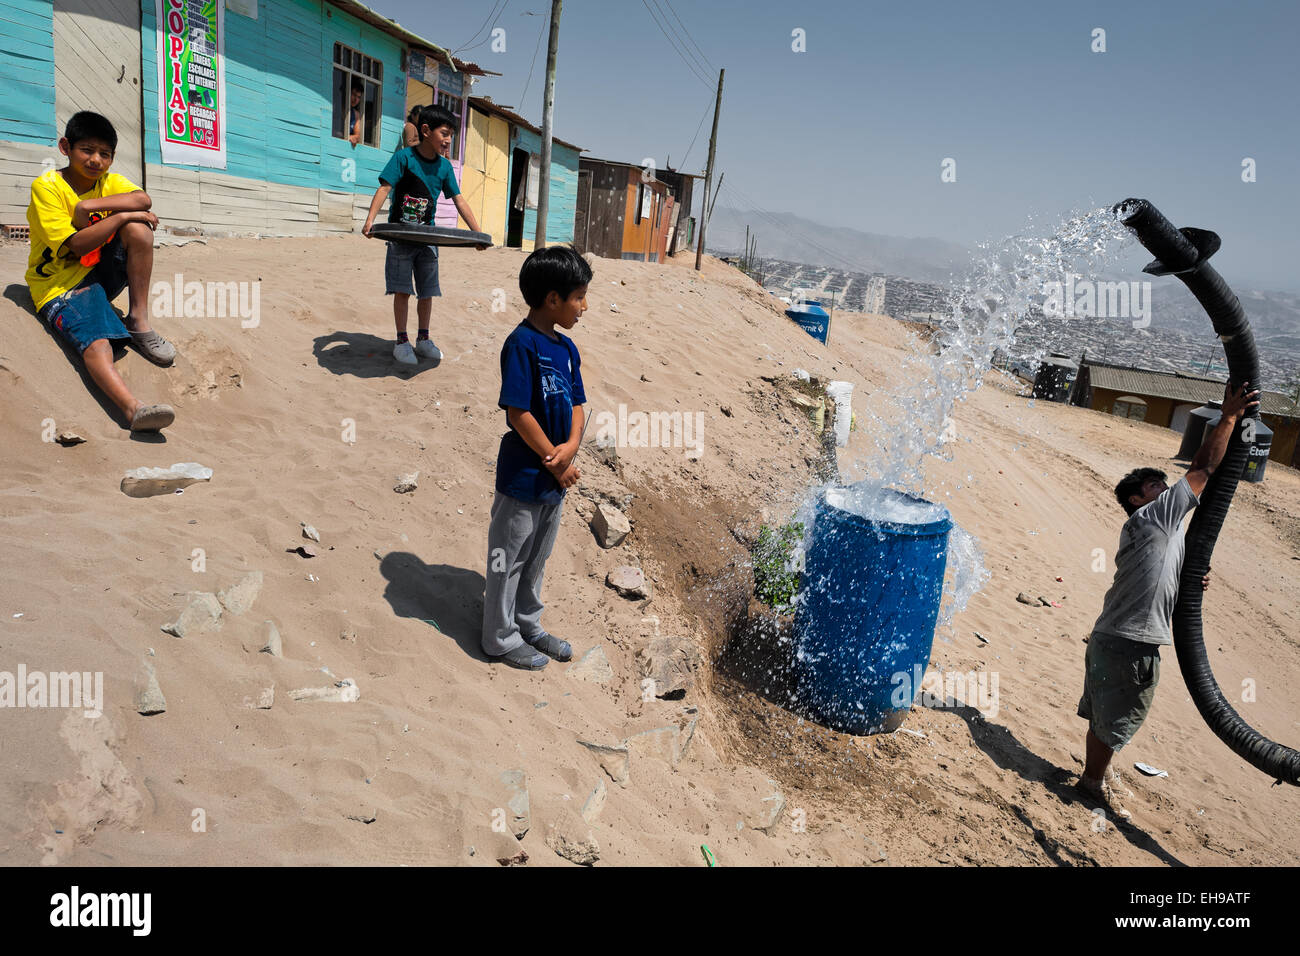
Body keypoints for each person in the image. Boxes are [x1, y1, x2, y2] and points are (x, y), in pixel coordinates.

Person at [1075, 380, 1260, 819]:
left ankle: (1091, 776)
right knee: (1118, 714)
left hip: (1114, 635)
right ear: (1138, 499)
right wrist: (1229, 417)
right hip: (1129, 640)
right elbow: (1203, 467)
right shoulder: (1153, 515)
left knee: (1106, 713)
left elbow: (1162, 573)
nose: (1168, 488)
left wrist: (1190, 580)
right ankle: (1091, 783)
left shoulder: (1162, 529)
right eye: (1157, 485)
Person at [25, 110, 178, 432]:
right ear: (65, 147)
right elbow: (77, 245)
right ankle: (133, 409)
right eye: (87, 150)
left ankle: (138, 321)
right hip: (60, 284)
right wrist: (119, 216)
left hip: (98, 270)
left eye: (104, 154)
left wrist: (88, 207)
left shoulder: (108, 182)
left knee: (140, 229)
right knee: (96, 342)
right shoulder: (48, 186)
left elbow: (143, 198)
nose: (95, 160)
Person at [480, 246, 591, 670]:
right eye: (579, 296)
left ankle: (528, 624)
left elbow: (578, 403)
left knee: (538, 557)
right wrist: (556, 459)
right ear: (552, 299)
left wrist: (572, 446)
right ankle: (498, 638)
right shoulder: (521, 344)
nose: (584, 306)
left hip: (553, 481)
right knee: (507, 559)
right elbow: (517, 412)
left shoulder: (566, 348)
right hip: (524, 476)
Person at [361, 105, 486, 365]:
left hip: (428, 239)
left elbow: (459, 200)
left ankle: (424, 339)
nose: (449, 139)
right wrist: (371, 220)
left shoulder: (444, 168)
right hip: (401, 238)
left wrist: (477, 233)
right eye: (445, 133)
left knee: (427, 292)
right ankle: (401, 341)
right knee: (402, 291)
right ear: (426, 130)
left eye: (452, 134)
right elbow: (385, 188)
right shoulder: (404, 158)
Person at [347, 79, 364, 147]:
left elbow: (358, 136)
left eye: (359, 97)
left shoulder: (356, 114)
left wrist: (352, 137)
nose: (356, 99)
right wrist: (347, 137)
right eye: (354, 94)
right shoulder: (337, 108)